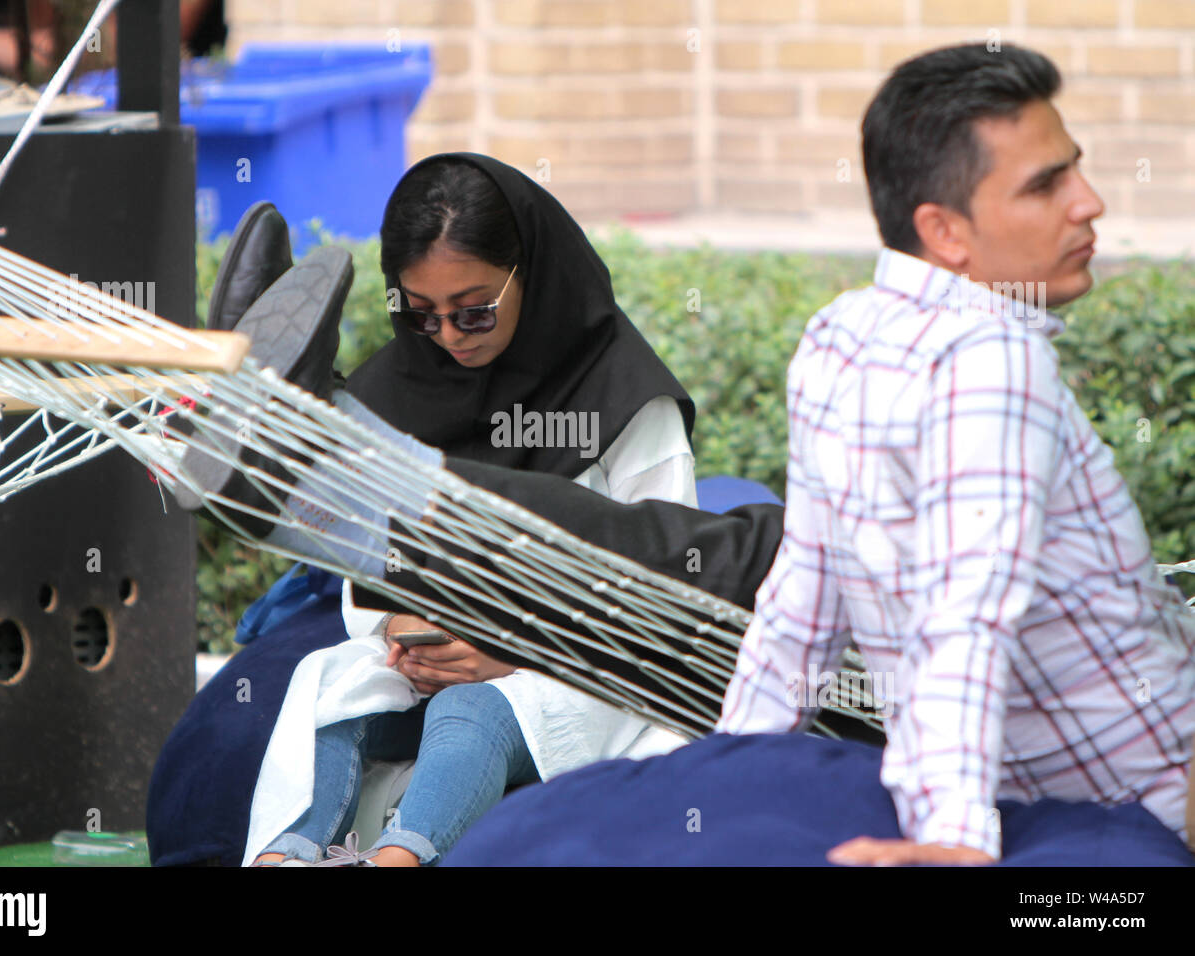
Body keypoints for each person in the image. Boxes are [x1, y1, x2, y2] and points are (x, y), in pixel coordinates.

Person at [374, 43, 1195, 866]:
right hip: (1087, 798)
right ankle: (385, 481)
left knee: (705, 556)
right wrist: (934, 832)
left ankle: (378, 477)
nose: (1089, 203)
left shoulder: (841, 336)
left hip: (1090, 796)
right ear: (943, 230)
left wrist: (733, 772)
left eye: (1073, 171)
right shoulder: (969, 356)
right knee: (714, 552)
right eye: (1047, 184)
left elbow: (845, 605)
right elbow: (947, 610)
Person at [239, 152, 701, 867]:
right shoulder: (394, 391)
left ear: (532, 275)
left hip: (587, 661)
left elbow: (676, 589)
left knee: (476, 709)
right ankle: (283, 859)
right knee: (330, 688)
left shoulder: (625, 397)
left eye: (474, 310)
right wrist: (397, 621)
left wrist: (515, 646)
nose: (451, 337)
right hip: (438, 654)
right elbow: (369, 561)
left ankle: (398, 860)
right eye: (422, 315)